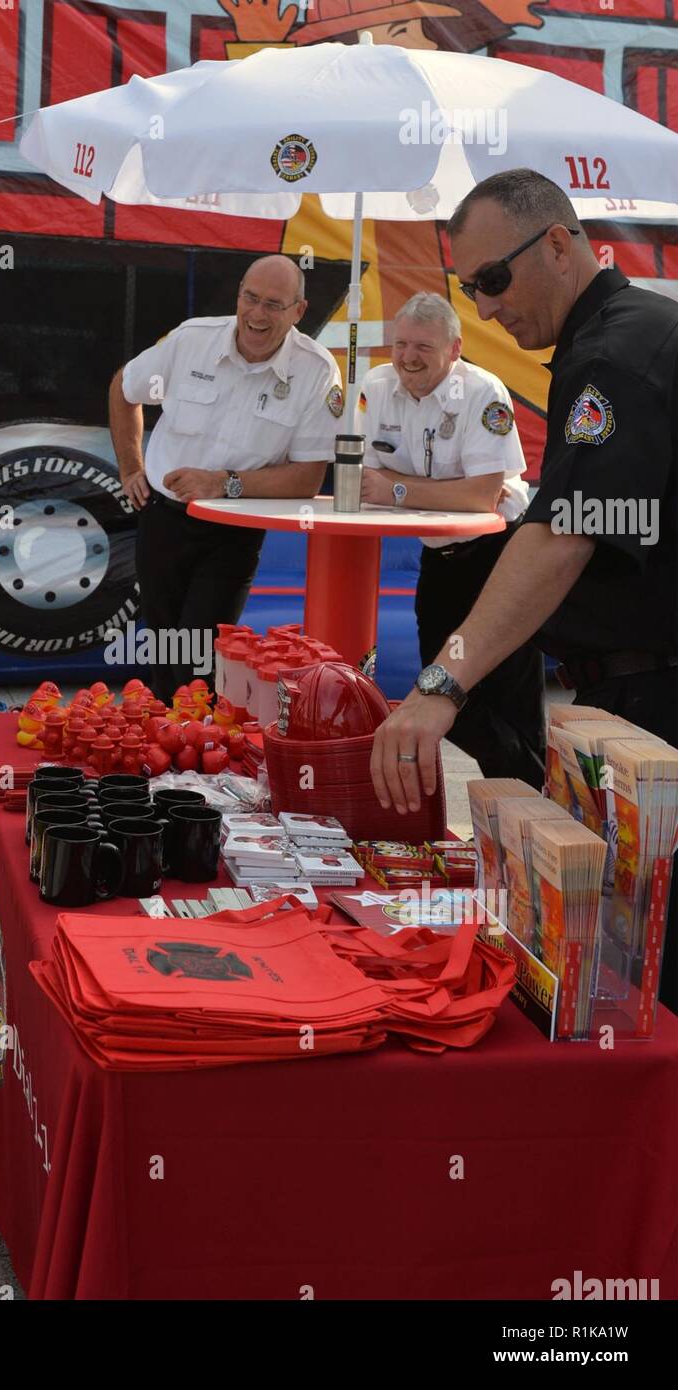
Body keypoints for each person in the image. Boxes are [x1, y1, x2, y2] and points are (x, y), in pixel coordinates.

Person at [370, 168, 678, 1014]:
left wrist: (441, 683)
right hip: (627, 682)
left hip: (656, 692)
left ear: (557, 244)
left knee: (650, 971)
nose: (486, 308)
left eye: (494, 281)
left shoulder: (615, 354)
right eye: (469, 289)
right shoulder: (621, 336)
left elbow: (559, 534)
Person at [109, 254, 343, 701]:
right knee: (162, 652)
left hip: (235, 530)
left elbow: (307, 479)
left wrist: (224, 483)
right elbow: (124, 389)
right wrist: (130, 468)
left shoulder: (316, 371)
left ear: (299, 311)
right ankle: (168, 763)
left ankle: (195, 756)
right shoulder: (192, 339)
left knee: (197, 659)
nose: (257, 314)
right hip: (162, 516)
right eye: (250, 298)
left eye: (274, 304)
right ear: (238, 295)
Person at [356, 291, 544, 786]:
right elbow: (359, 483)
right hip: (438, 557)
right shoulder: (375, 388)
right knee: (439, 684)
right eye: (400, 344)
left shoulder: (484, 392)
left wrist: (400, 490)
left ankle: (531, 803)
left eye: (423, 346)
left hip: (500, 555)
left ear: (455, 349)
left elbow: (483, 498)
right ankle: (515, 787)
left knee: (510, 696)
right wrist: (441, 494)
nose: (408, 357)